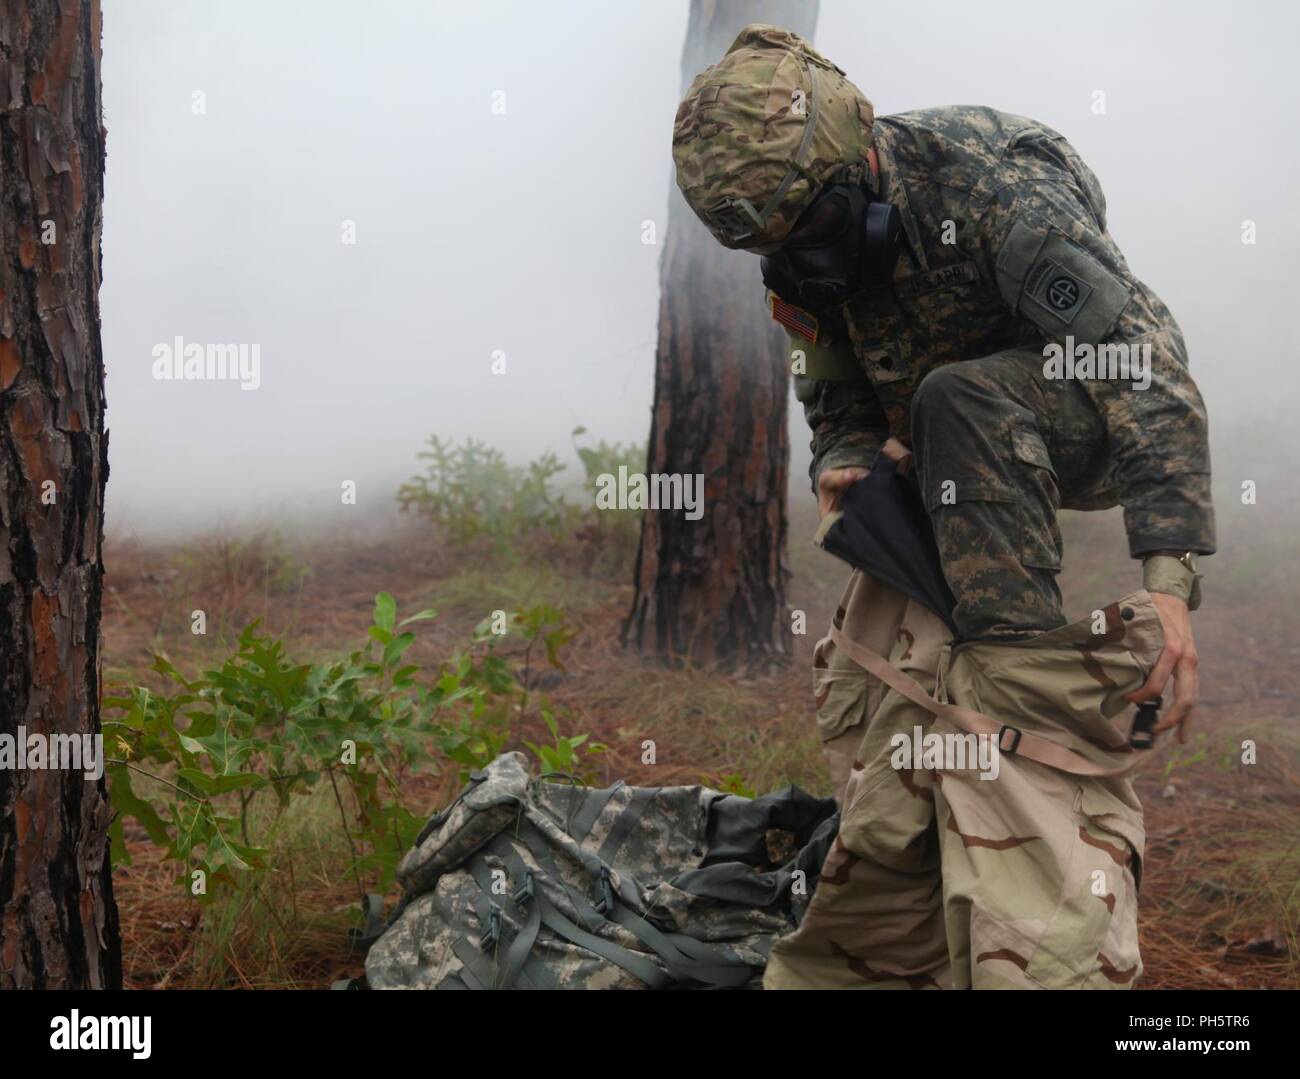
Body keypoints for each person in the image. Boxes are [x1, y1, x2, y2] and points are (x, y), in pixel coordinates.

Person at [671, 24, 1214, 989]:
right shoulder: (794, 242)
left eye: (819, 233)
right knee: (917, 562)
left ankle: (1020, 785)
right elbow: (831, 387)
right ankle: (930, 833)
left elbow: (1147, 368)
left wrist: (1168, 583)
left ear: (862, 160)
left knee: (959, 400)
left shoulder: (993, 191)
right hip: (952, 438)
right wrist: (843, 461)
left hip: (1079, 410)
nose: (807, 262)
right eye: (778, 249)